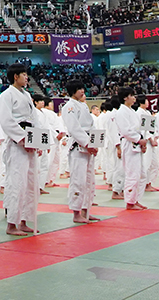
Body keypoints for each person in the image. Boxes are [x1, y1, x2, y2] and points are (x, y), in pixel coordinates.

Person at [0, 63, 39, 235]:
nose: (26, 77)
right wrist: (23, 139)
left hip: (30, 141)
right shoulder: (6, 95)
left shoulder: (27, 95)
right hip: (17, 144)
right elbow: (6, 120)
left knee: (30, 183)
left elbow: (34, 119)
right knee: (16, 183)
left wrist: (36, 141)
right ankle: (11, 224)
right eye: (23, 74)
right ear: (15, 76)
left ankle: (23, 220)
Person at [61, 80, 99, 223]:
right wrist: (88, 143)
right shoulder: (69, 106)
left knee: (89, 181)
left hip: (88, 147)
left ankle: (86, 210)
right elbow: (74, 128)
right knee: (78, 180)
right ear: (72, 91)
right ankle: (76, 213)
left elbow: (92, 126)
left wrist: (95, 144)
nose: (82, 91)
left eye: (83, 88)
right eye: (78, 89)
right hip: (78, 147)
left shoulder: (83, 106)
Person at [114, 87, 147, 210]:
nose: (134, 98)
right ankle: (130, 202)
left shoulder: (131, 111)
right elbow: (126, 131)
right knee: (132, 174)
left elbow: (137, 129)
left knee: (142, 174)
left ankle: (136, 199)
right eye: (131, 95)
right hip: (129, 144)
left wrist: (142, 142)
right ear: (125, 98)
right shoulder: (121, 112)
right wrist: (139, 140)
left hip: (137, 143)